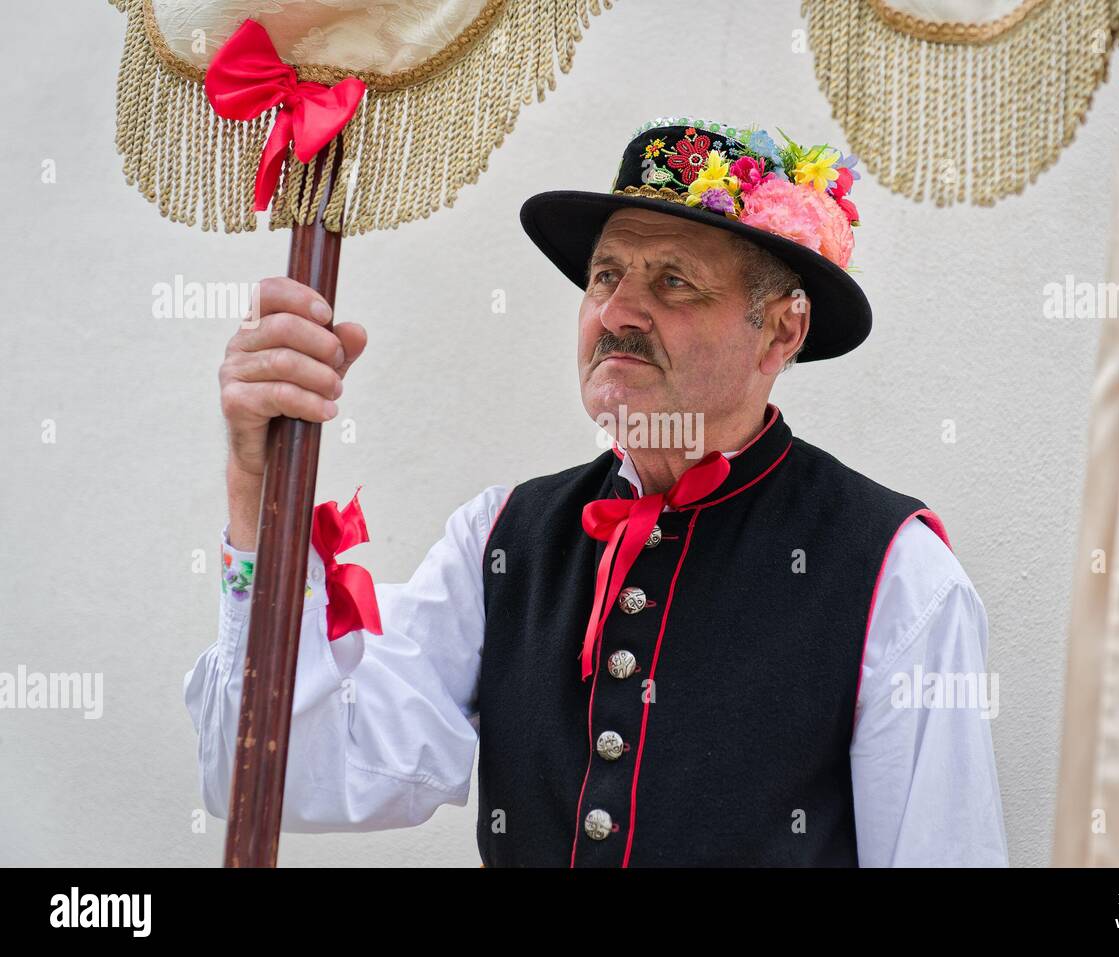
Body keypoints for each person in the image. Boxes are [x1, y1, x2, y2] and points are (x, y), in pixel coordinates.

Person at [186, 117, 1009, 867]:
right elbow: (279, 767)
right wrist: (258, 491)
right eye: (605, 274)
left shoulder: (895, 573)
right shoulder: (501, 538)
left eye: (674, 282)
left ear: (781, 331)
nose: (619, 310)